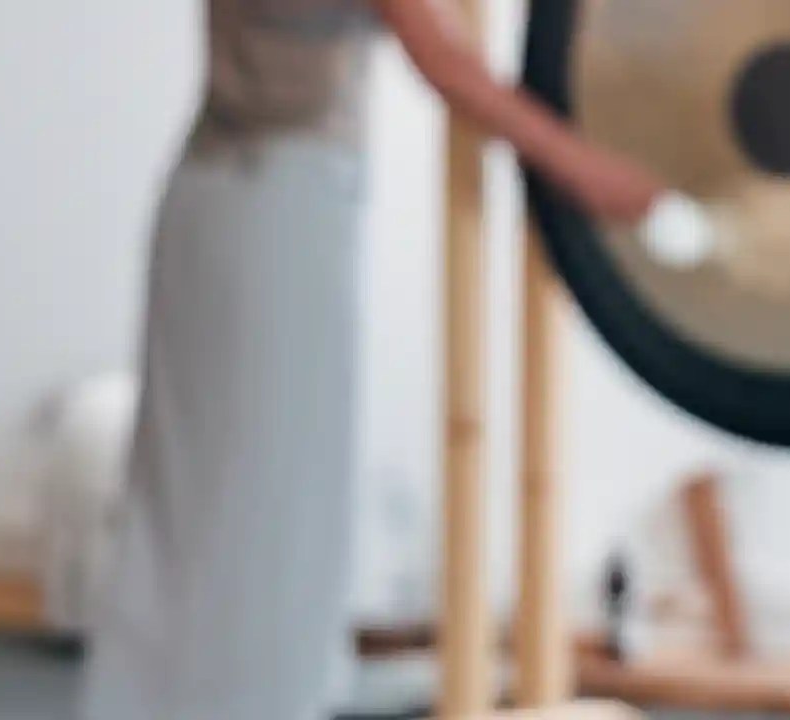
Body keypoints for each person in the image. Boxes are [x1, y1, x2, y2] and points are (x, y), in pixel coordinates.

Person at [76, 1, 662, 719]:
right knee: (269, 501)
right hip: (274, 215)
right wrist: (583, 167)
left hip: (217, 197)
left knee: (205, 495)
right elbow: (447, 62)